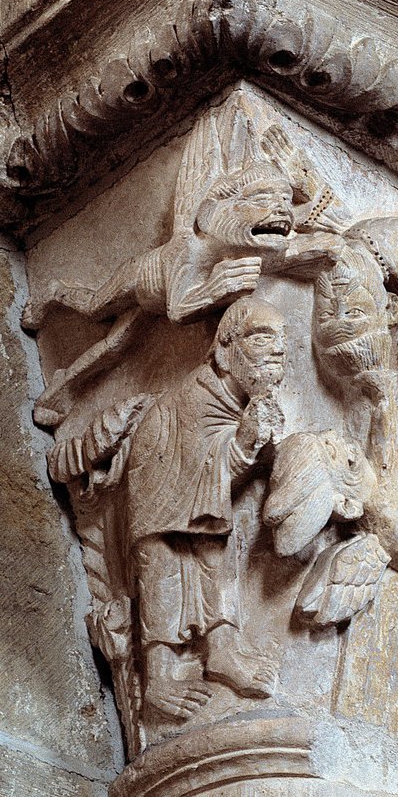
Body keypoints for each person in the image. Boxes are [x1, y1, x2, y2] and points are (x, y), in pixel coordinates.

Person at [123, 296, 286, 720]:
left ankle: (223, 648)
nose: (278, 349)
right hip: (160, 484)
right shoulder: (197, 398)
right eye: (261, 337)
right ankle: (159, 675)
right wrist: (246, 442)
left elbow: (235, 474)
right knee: (163, 560)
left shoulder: (242, 400)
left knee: (217, 545)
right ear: (225, 350)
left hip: (198, 495)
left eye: (281, 340)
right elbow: (207, 476)